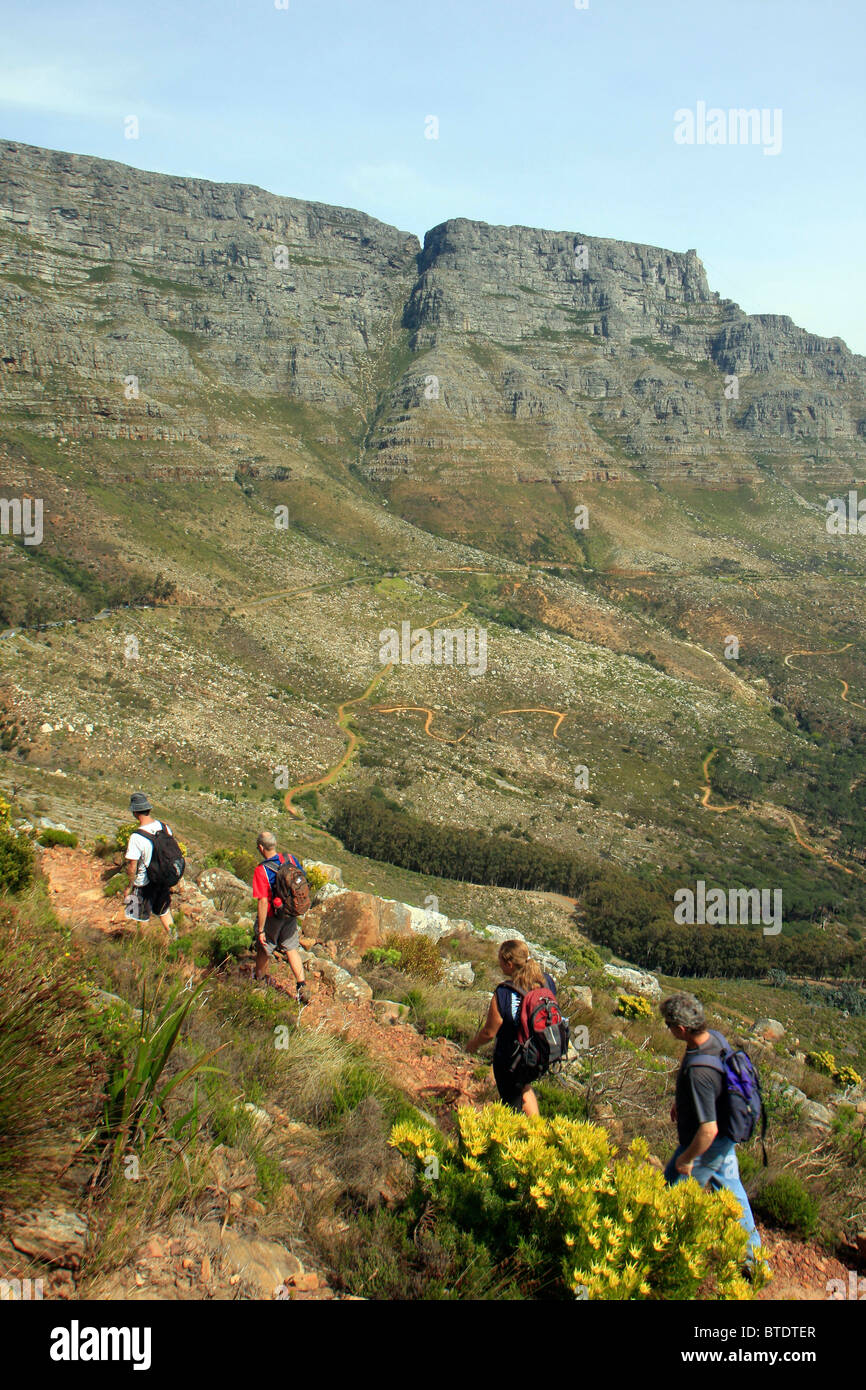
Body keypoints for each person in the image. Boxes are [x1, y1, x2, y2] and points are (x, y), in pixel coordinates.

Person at [661, 991, 761, 1268]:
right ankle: (754, 1260)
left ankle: (667, 1259)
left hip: (707, 1142)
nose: (667, 1029)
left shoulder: (699, 1072)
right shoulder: (713, 1038)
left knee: (675, 1194)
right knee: (731, 1192)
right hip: (726, 1136)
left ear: (681, 1029)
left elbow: (708, 1130)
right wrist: (681, 1102)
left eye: (668, 1025)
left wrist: (687, 1158)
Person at [466, 939, 557, 1116]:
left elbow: (489, 1032)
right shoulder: (547, 981)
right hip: (540, 1052)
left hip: (512, 1059)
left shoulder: (504, 992)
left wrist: (474, 1045)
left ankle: (519, 1136)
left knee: (511, 1103)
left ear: (508, 964)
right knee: (524, 1086)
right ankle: (537, 1129)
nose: (498, 964)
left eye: (500, 960)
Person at [251, 831, 309, 1004]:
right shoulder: (290, 859)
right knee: (291, 948)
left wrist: (260, 929)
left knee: (264, 947)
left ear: (261, 848)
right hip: (291, 913)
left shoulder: (262, 870)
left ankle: (259, 982)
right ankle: (302, 986)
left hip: (272, 916)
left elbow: (262, 902)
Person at [123, 792, 176, 937]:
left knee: (138, 917)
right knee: (164, 912)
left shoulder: (136, 837)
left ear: (135, 812)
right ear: (148, 809)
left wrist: (129, 887)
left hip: (143, 885)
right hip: (162, 880)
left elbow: (132, 867)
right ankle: (177, 943)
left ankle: (143, 947)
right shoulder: (164, 827)